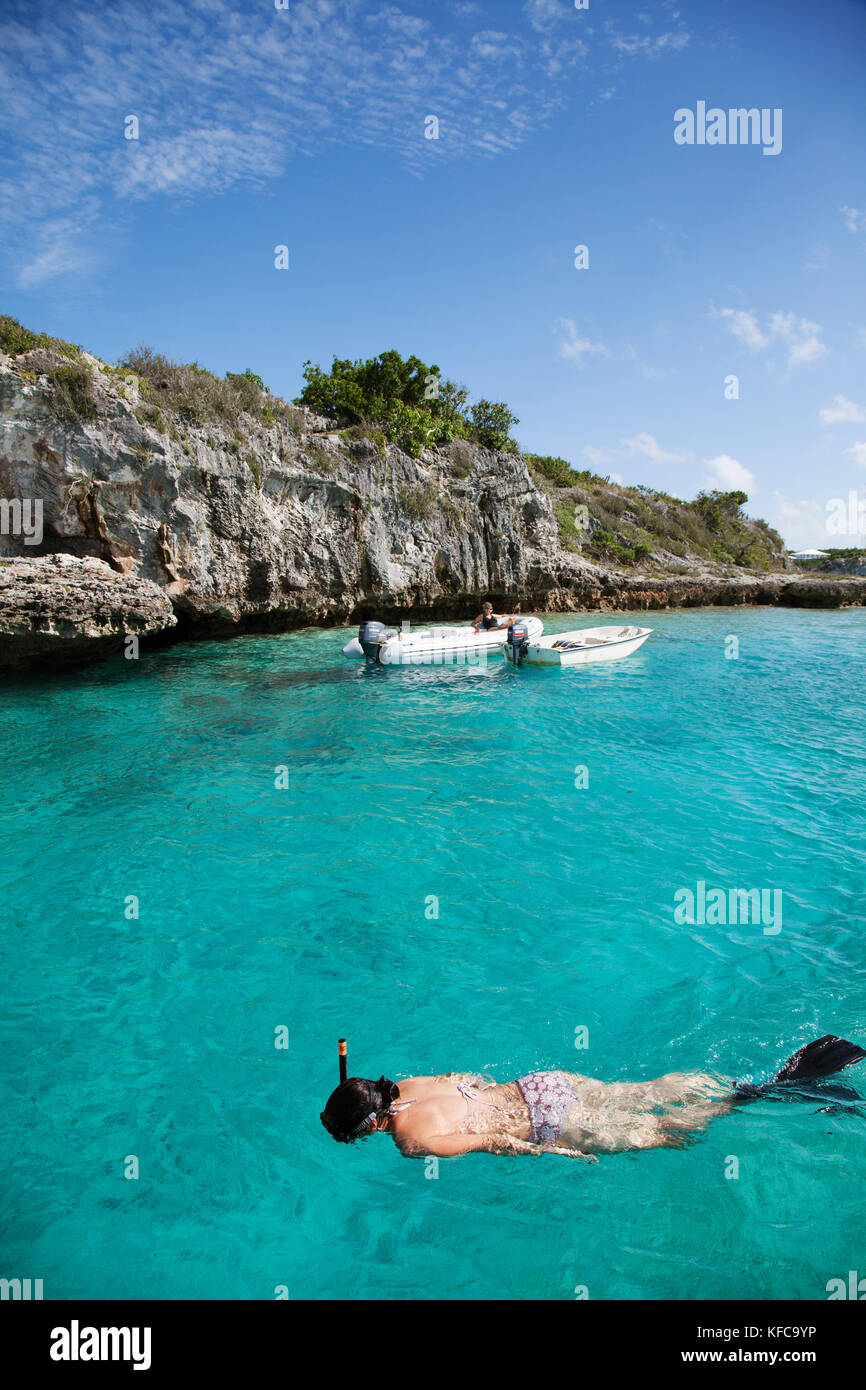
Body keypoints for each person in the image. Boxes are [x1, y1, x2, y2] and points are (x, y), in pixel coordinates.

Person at [320, 1035, 865, 1159]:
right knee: (649, 1093)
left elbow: (497, 1142)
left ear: (369, 1125)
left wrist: (559, 1153)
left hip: (545, 1121)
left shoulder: (412, 1141)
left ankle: (776, 1093)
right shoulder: (407, 1084)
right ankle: (767, 1080)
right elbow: (471, 1080)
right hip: (544, 1084)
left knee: (668, 1132)